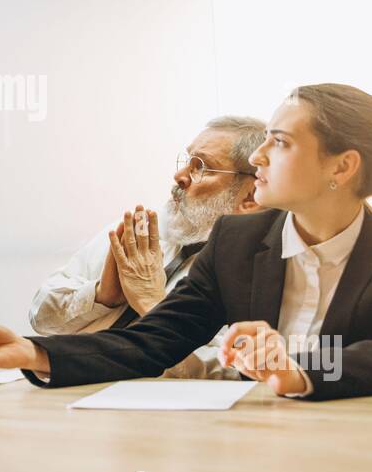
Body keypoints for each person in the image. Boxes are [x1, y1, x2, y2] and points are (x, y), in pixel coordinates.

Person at [0, 83, 372, 401]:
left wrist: (298, 367)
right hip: (257, 450)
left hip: (370, 456)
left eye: (279, 142)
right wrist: (34, 352)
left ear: (342, 166)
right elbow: (152, 341)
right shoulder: (238, 240)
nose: (259, 156)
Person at [29, 116, 265, 378]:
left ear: (250, 195)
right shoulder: (137, 231)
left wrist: (153, 304)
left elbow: (229, 373)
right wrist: (101, 296)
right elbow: (40, 317)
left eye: (202, 167)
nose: (179, 176)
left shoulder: (258, 269)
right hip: (64, 390)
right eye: (187, 162)